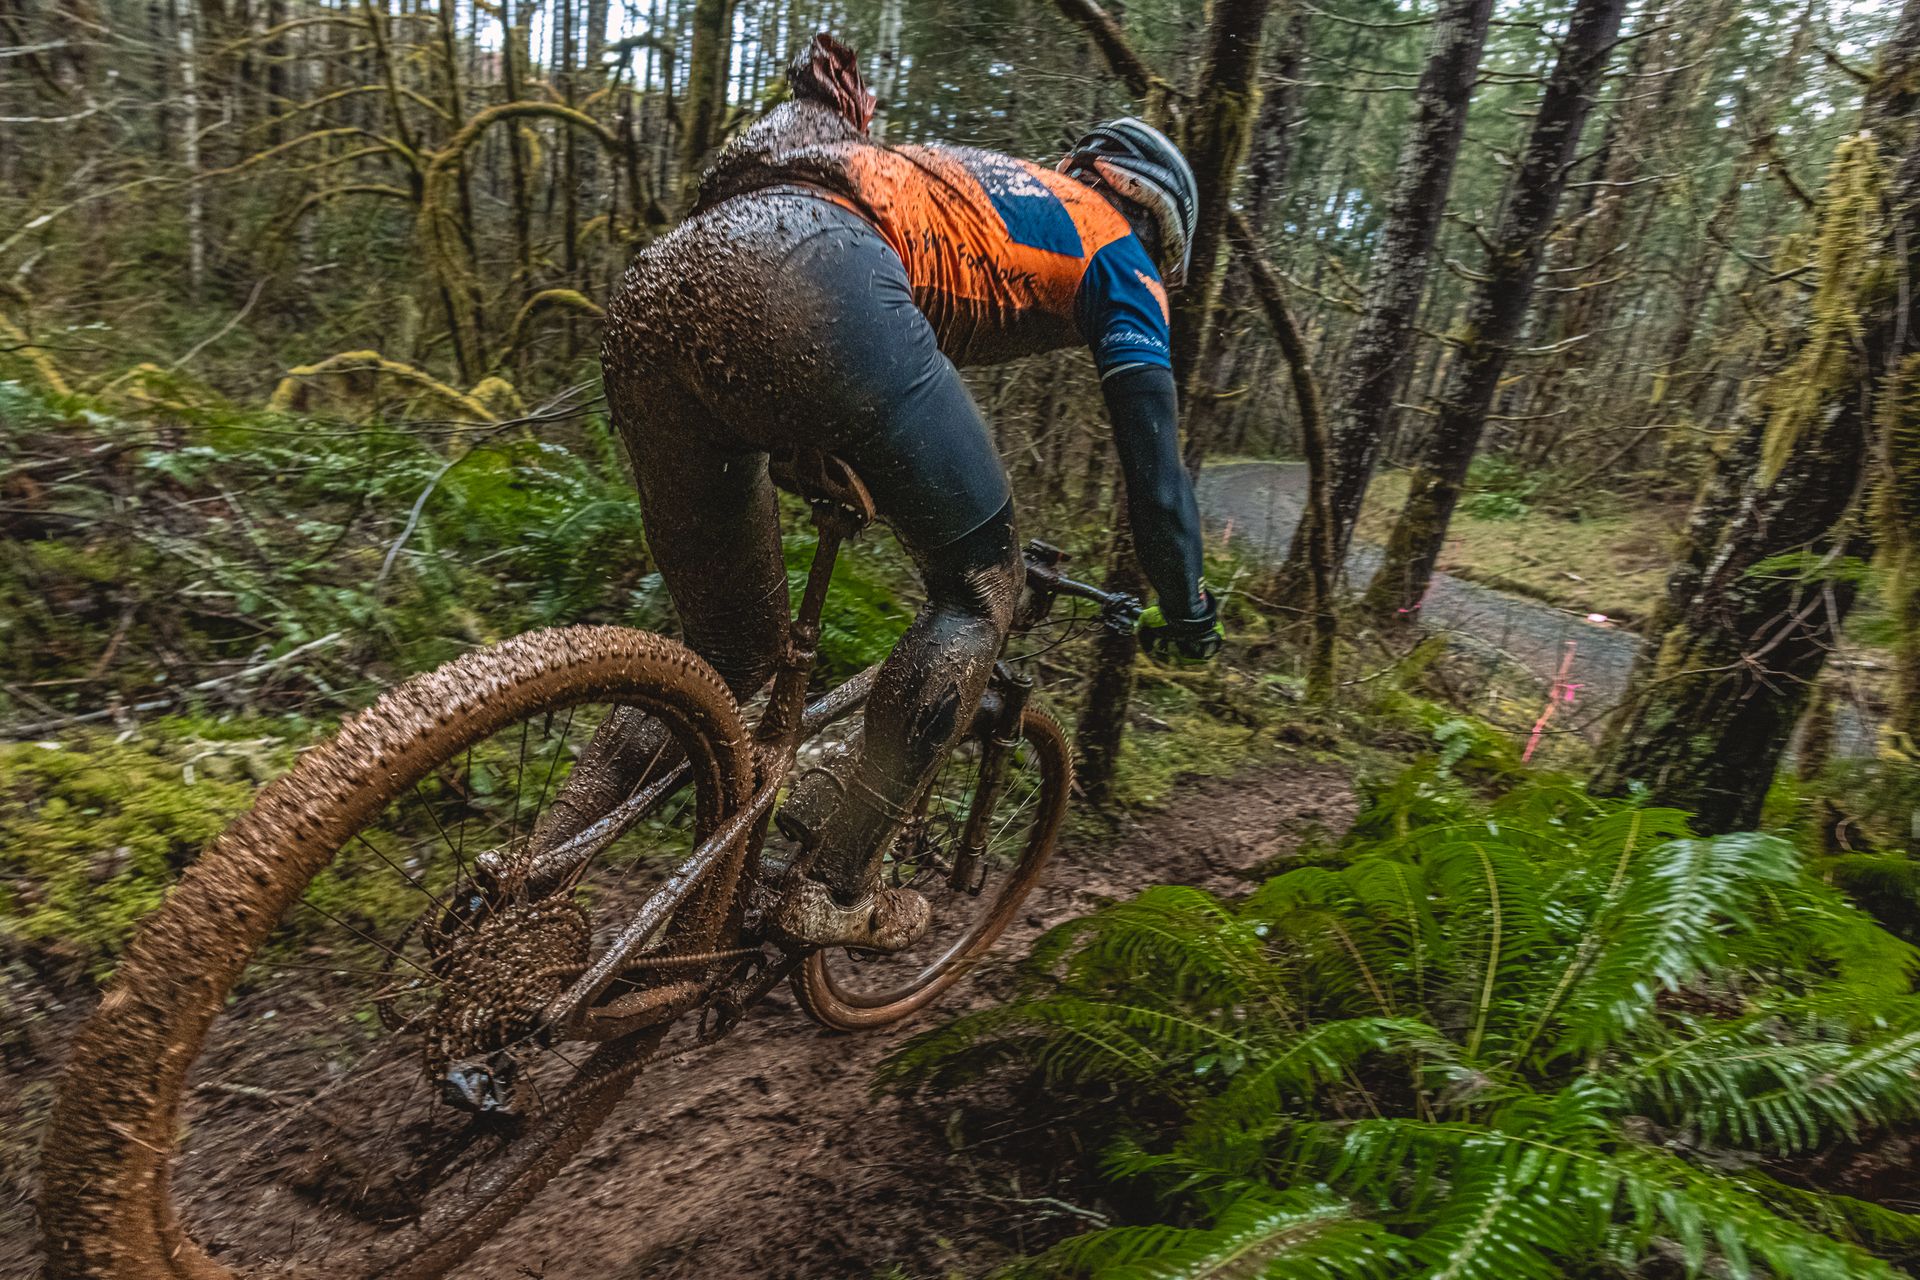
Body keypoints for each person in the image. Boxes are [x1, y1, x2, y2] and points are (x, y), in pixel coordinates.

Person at [544, 33, 1221, 951]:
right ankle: (837, 885)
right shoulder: (1121, 255)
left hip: (669, 275)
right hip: (815, 266)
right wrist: (1186, 608)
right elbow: (1156, 470)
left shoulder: (982, 183)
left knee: (725, 661)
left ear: (1084, 168)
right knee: (982, 589)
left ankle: (527, 883)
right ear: (1156, 219)